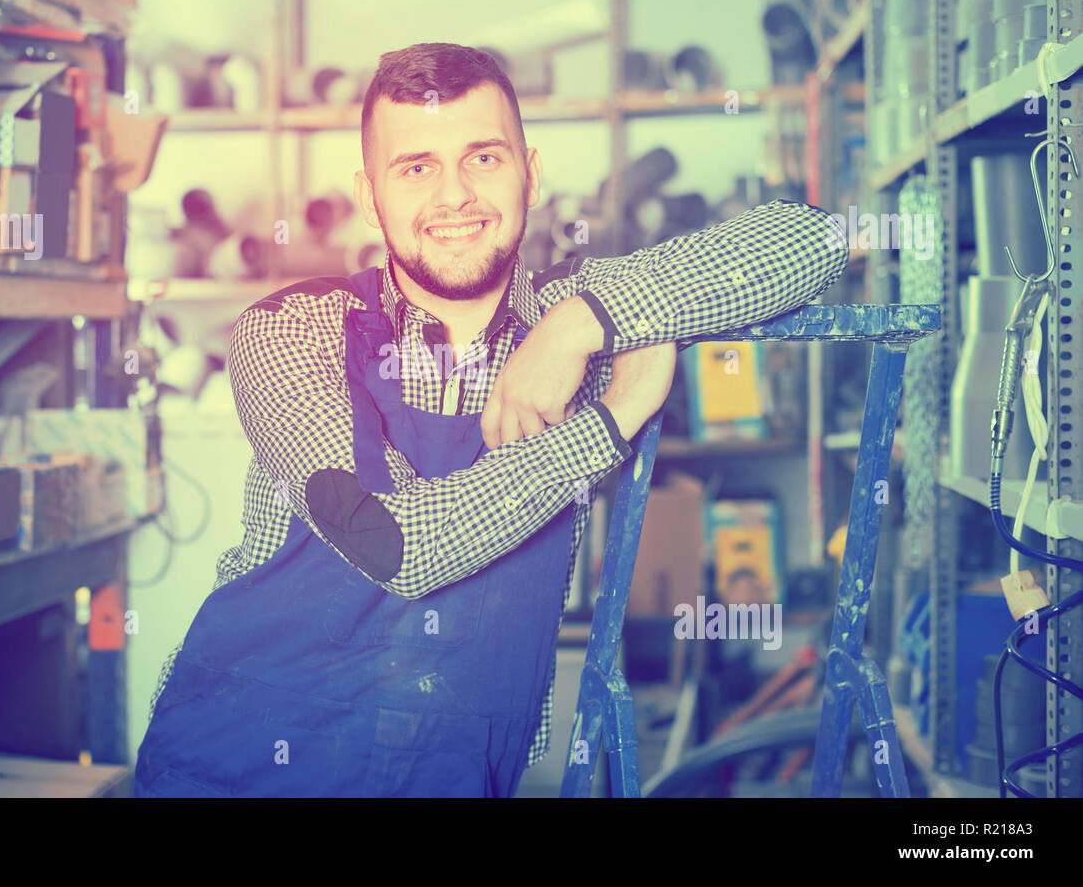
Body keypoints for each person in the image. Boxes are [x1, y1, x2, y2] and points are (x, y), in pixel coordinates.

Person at [134, 41, 849, 797]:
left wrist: (582, 320)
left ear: (530, 173)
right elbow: (394, 544)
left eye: (483, 158)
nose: (454, 197)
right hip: (240, 763)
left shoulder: (573, 319)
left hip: (447, 775)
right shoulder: (293, 330)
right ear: (369, 192)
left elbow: (816, 238)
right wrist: (608, 422)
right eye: (416, 168)